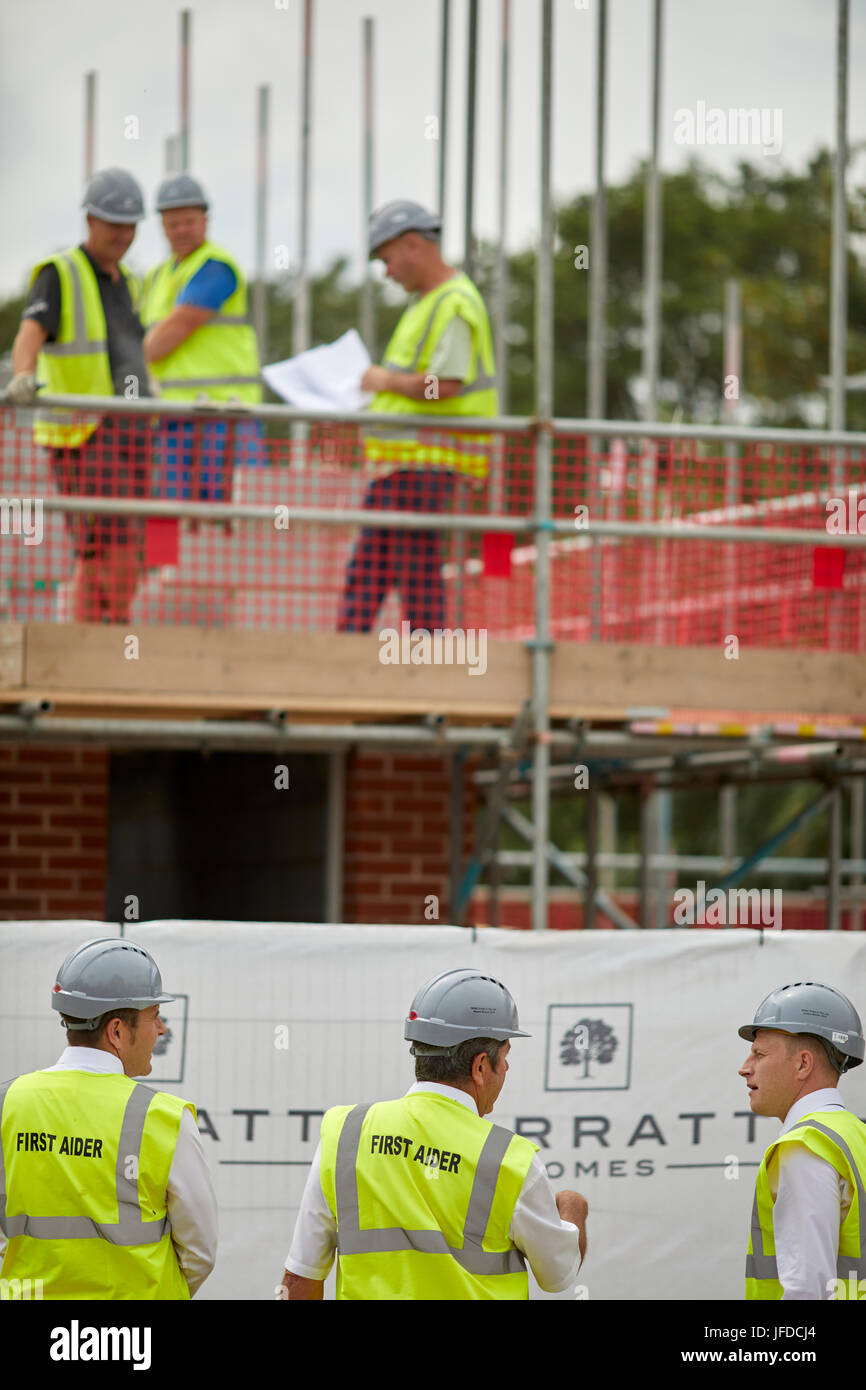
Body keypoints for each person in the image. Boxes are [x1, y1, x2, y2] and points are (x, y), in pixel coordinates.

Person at [280, 968, 587, 1300]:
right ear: (481, 1066)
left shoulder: (345, 1134)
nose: (508, 1069)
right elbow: (558, 1275)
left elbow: (300, 1279)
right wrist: (573, 1208)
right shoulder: (509, 1160)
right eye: (506, 1056)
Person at [0, 937, 217, 1299]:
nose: (161, 1029)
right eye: (153, 1016)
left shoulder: (8, 1102)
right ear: (116, 1031)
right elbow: (200, 1254)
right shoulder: (164, 1119)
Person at [338, 200, 498, 633]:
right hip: (402, 466)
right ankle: (343, 664)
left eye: (387, 259)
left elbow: (443, 386)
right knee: (370, 572)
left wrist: (382, 382)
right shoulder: (427, 304)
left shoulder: (454, 302)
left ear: (413, 245)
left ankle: (425, 670)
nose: (386, 272)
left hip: (424, 466)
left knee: (413, 576)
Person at [7, 168, 152, 623]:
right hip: (85, 432)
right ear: (90, 219)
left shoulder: (129, 280)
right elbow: (31, 332)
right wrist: (23, 376)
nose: (124, 235)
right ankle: (113, 635)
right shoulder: (61, 273)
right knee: (113, 544)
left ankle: (95, 638)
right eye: (114, 225)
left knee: (107, 548)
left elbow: (134, 352)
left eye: (130, 226)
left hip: (131, 429)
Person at [738, 981, 866, 1300]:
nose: (744, 1068)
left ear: (803, 1064)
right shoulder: (854, 1135)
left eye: (759, 1053)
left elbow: (809, 1289)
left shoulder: (805, 1146)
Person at [140, 173, 262, 508]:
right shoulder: (156, 276)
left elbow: (173, 331)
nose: (180, 230)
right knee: (172, 519)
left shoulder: (215, 267)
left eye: (188, 222)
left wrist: (123, 362)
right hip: (173, 417)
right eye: (172, 224)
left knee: (234, 520)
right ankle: (168, 565)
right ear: (162, 226)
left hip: (225, 416)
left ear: (205, 220)